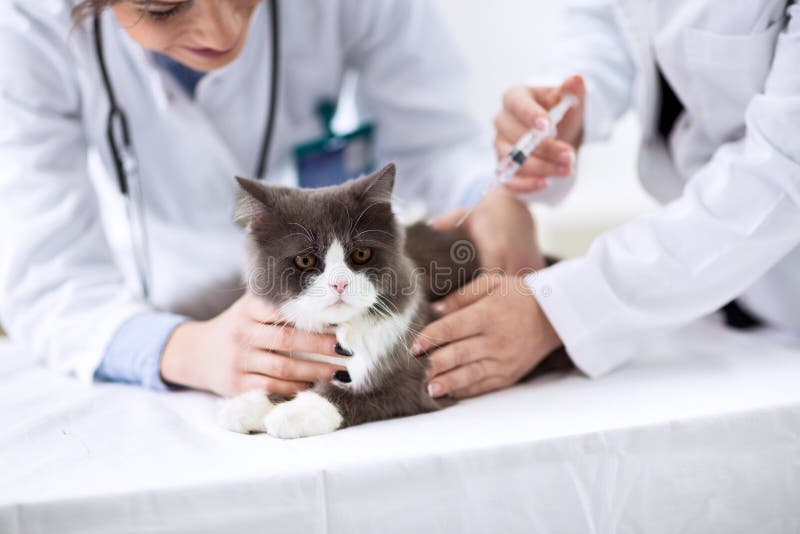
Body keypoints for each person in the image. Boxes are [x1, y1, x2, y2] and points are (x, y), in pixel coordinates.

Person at [0, 0, 543, 397]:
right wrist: (184, 350)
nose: (221, 30)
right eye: (164, 8)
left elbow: (436, 142)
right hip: (157, 308)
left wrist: (489, 197)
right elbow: (48, 275)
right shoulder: (26, 26)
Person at [416, 0, 800, 399]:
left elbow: (782, 171)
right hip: (724, 307)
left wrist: (558, 311)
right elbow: (609, 20)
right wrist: (568, 100)